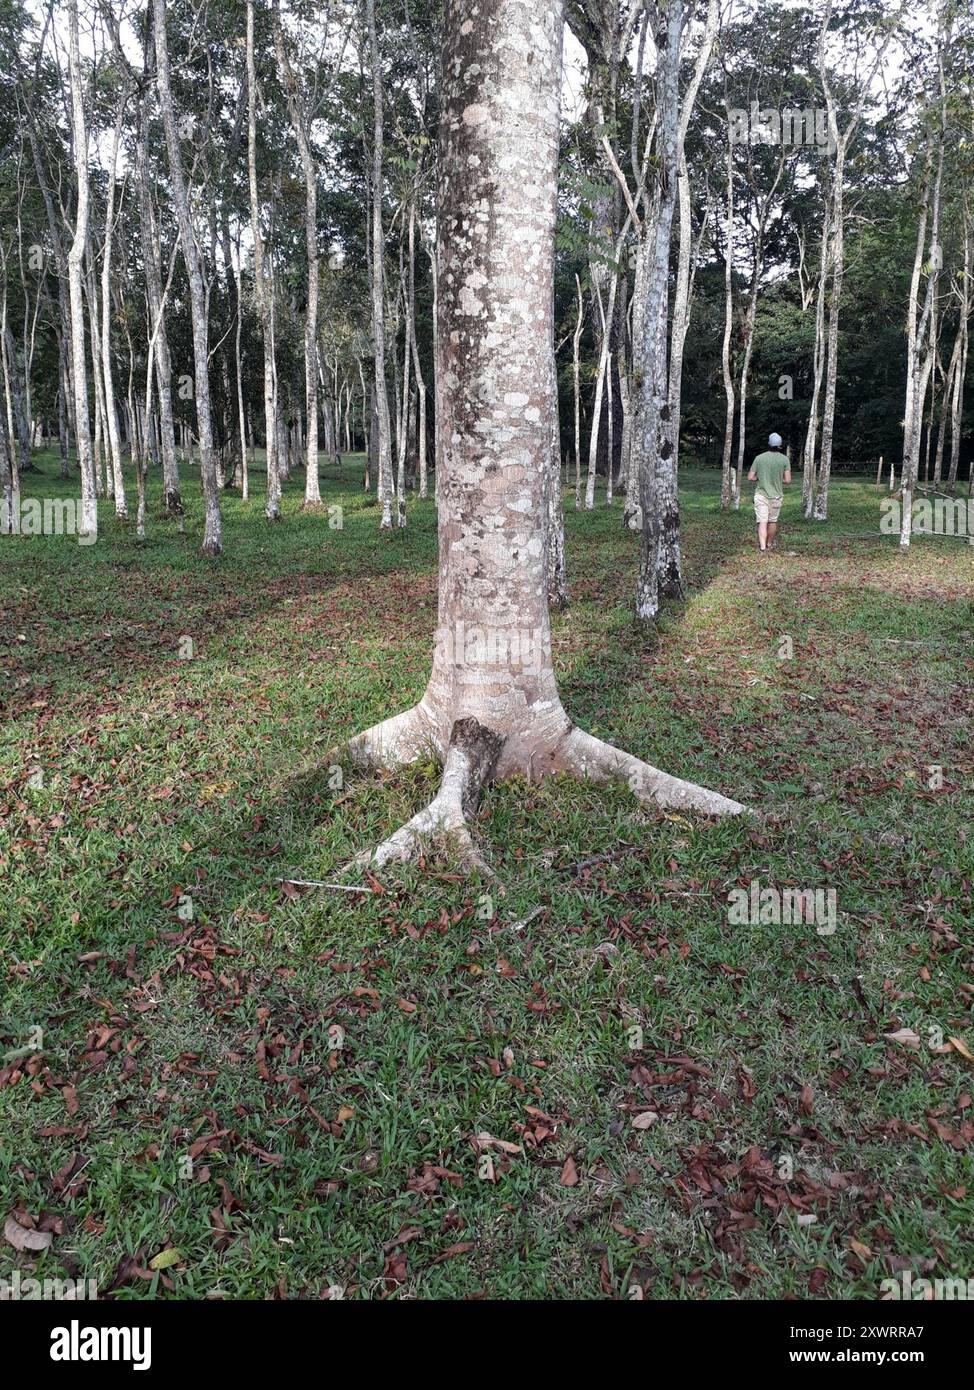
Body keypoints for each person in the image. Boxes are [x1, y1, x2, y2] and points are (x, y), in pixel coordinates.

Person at [747, 432, 791, 552]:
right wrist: (777, 479)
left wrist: (759, 478)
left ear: (769, 444)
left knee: (762, 521)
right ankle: (769, 544)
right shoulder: (784, 459)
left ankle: (762, 547)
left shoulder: (759, 458)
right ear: (780, 445)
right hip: (776, 496)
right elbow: (788, 480)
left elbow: (750, 477)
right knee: (772, 521)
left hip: (761, 495)